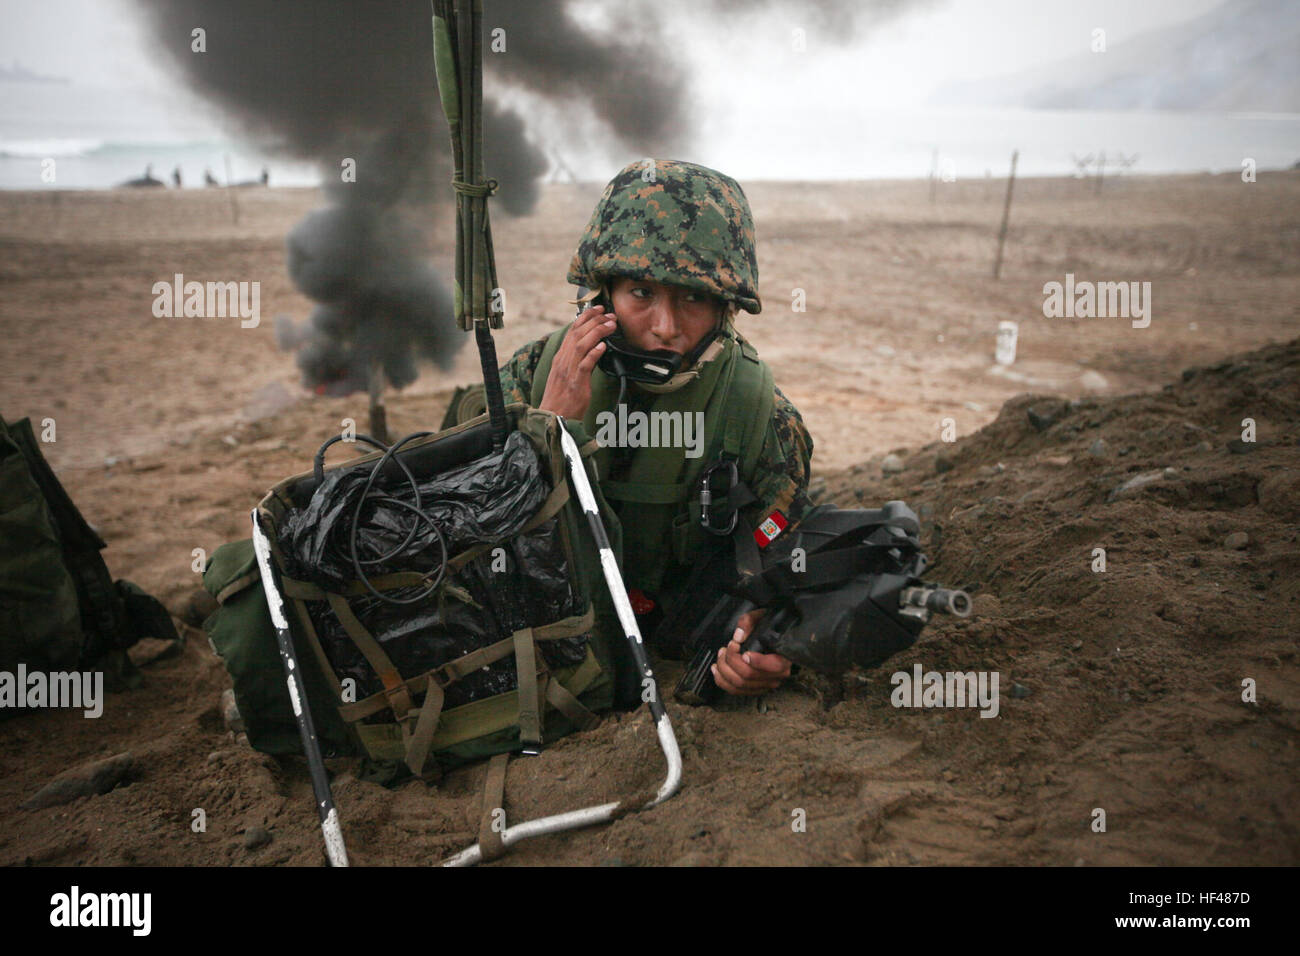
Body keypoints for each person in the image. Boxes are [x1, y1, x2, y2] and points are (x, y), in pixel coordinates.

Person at [498, 159, 814, 702]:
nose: (666, 327)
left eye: (693, 297)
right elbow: (464, 531)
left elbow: (782, 567)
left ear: (725, 307)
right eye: (641, 293)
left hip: (674, 649)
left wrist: (765, 647)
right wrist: (546, 427)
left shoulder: (762, 418)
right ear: (602, 294)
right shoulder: (533, 376)